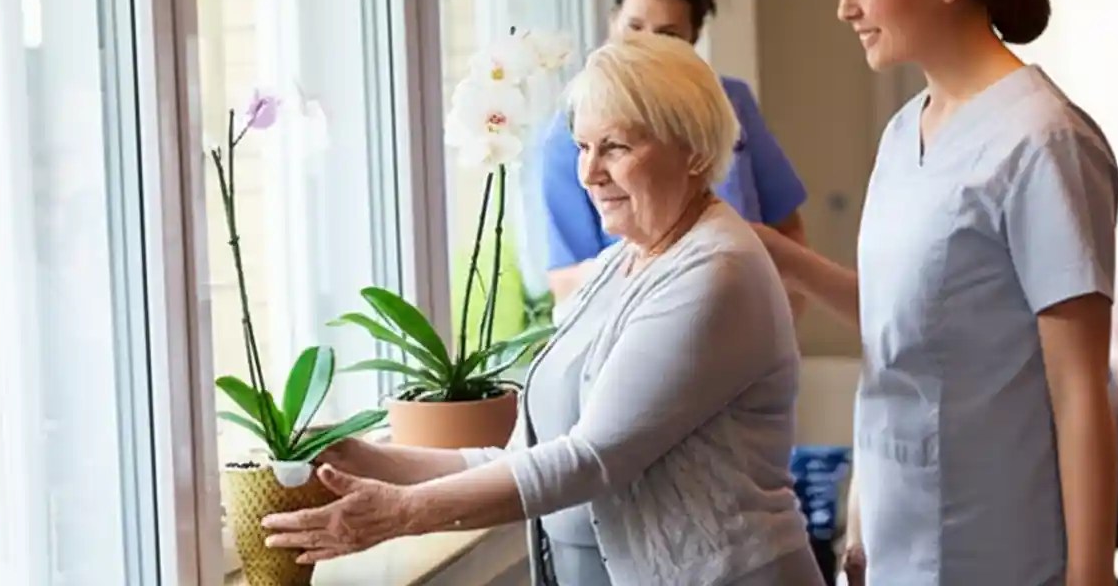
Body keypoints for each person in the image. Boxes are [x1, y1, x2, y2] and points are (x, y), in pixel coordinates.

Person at [260, 32, 823, 585]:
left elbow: (592, 460)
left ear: (694, 150)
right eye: (583, 146)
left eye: (616, 147)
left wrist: (402, 514)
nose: (589, 173)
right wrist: (366, 459)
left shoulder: (715, 273)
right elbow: (519, 457)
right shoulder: (616, 267)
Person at [751, 0, 1118, 584]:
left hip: (997, 545)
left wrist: (1091, 577)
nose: (844, 8)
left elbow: (1079, 390)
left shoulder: (1042, 142)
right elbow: (908, 326)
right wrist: (861, 516)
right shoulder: (902, 134)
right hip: (894, 540)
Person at [542, 0, 808, 306]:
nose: (645, 45)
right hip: (640, 310)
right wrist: (669, 281)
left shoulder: (731, 103)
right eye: (634, 27)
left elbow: (787, 229)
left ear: (693, 40)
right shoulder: (572, 126)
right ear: (612, 22)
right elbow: (564, 280)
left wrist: (778, 313)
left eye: (667, 34)